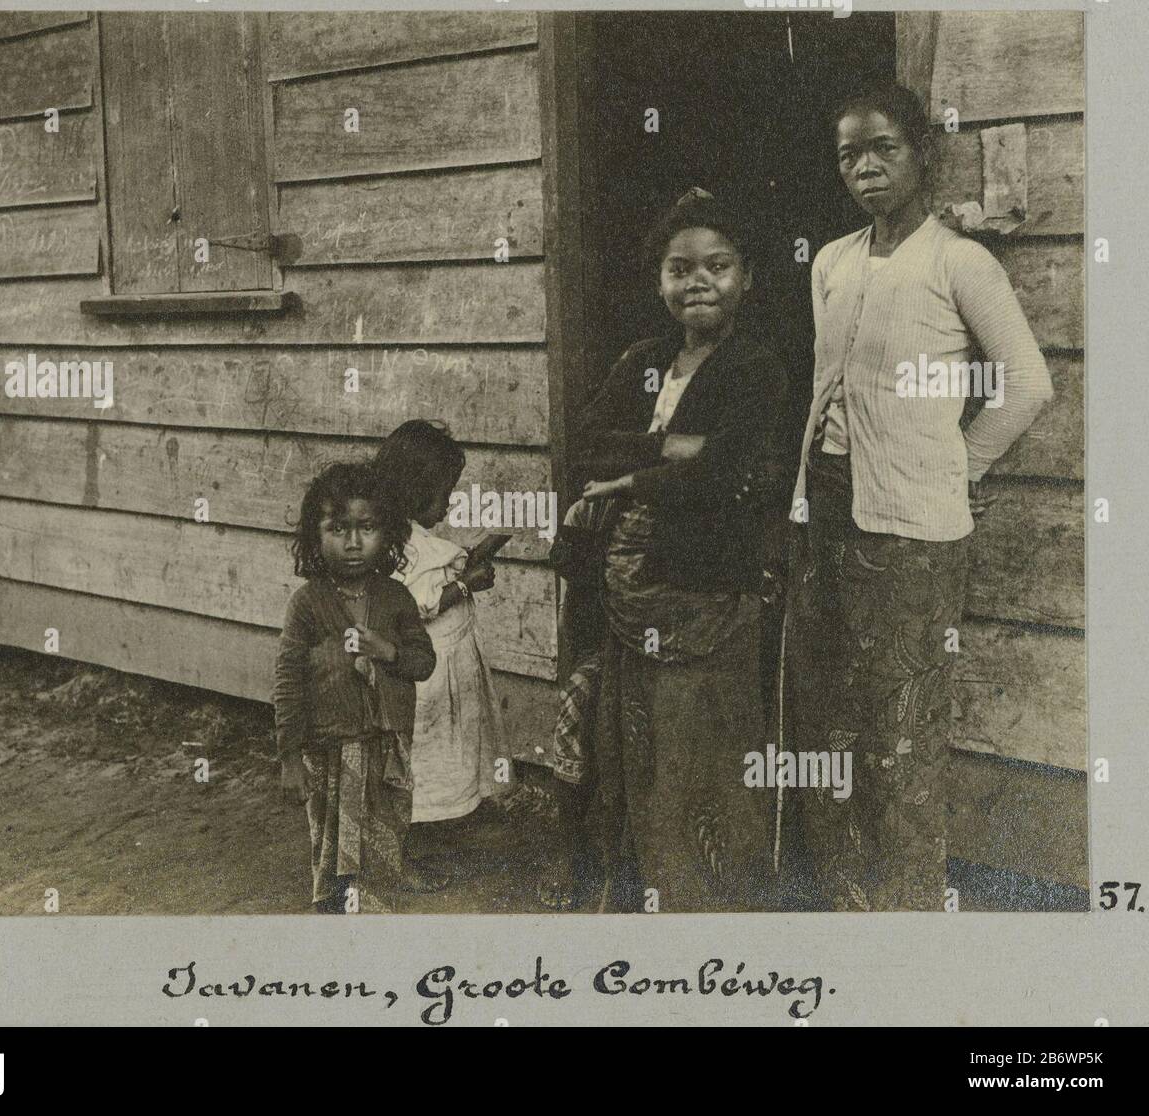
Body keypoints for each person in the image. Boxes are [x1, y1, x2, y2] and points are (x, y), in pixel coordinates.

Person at [783, 84, 1054, 911]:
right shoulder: (831, 261)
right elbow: (828, 388)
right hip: (825, 508)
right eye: (848, 154)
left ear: (920, 154)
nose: (864, 167)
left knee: (902, 722)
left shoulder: (958, 261)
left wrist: (959, 468)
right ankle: (845, 894)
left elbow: (1028, 386)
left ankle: (906, 904)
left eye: (883, 149)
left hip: (914, 532)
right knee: (829, 710)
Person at [543, 188, 791, 913]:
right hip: (624, 587)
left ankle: (710, 896)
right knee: (631, 739)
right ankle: (639, 885)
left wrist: (637, 476)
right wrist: (668, 451)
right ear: (660, 282)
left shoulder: (756, 369)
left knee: (700, 744)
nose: (698, 282)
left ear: (747, 277)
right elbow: (588, 440)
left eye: (718, 265)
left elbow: (738, 472)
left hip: (706, 584)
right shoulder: (645, 360)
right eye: (680, 269)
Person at [272, 462, 441, 913]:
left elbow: (424, 662)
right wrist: (289, 756)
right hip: (328, 745)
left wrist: (388, 652)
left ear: (386, 534)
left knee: (384, 827)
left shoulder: (395, 598)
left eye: (366, 528)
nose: (352, 542)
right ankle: (337, 906)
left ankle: (376, 903)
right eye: (337, 529)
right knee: (332, 835)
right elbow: (287, 681)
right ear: (315, 536)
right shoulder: (307, 605)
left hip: (386, 746)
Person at [371, 421, 510, 868]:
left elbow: (435, 572)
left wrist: (473, 560)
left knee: (455, 744)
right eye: (442, 493)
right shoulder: (397, 547)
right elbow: (413, 603)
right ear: (413, 492)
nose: (449, 503)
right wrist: (466, 585)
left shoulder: (417, 540)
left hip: (452, 663)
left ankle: (450, 815)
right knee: (429, 752)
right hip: (429, 673)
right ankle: (412, 840)